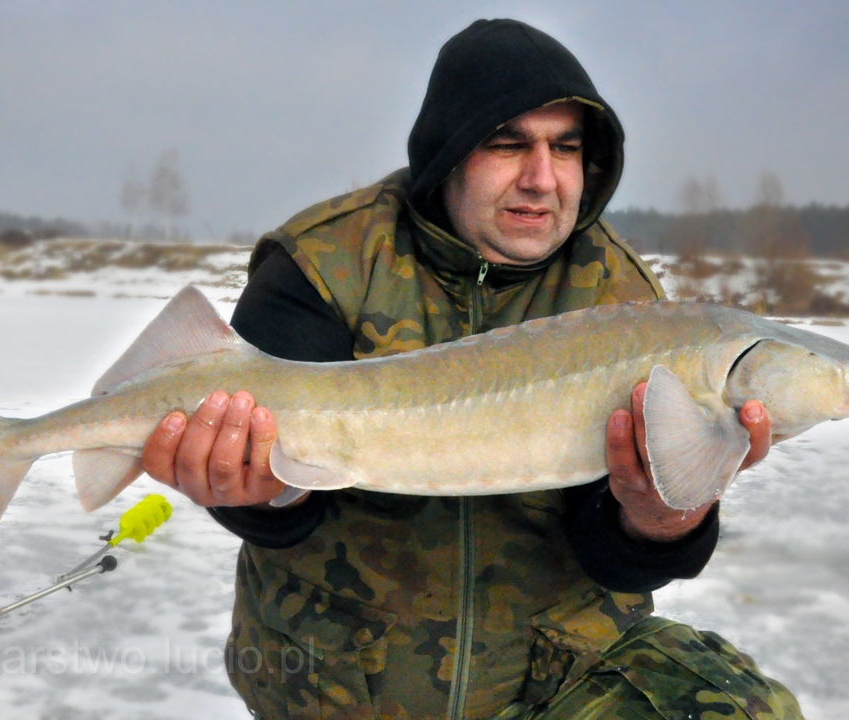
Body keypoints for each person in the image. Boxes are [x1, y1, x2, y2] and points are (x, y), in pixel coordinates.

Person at [141, 18, 803, 720]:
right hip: (342, 686)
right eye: (508, 143)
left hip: (553, 683)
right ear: (450, 155)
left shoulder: (625, 301)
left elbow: (614, 554)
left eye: (566, 148)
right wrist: (254, 492)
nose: (542, 178)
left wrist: (662, 517)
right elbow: (281, 507)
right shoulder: (324, 265)